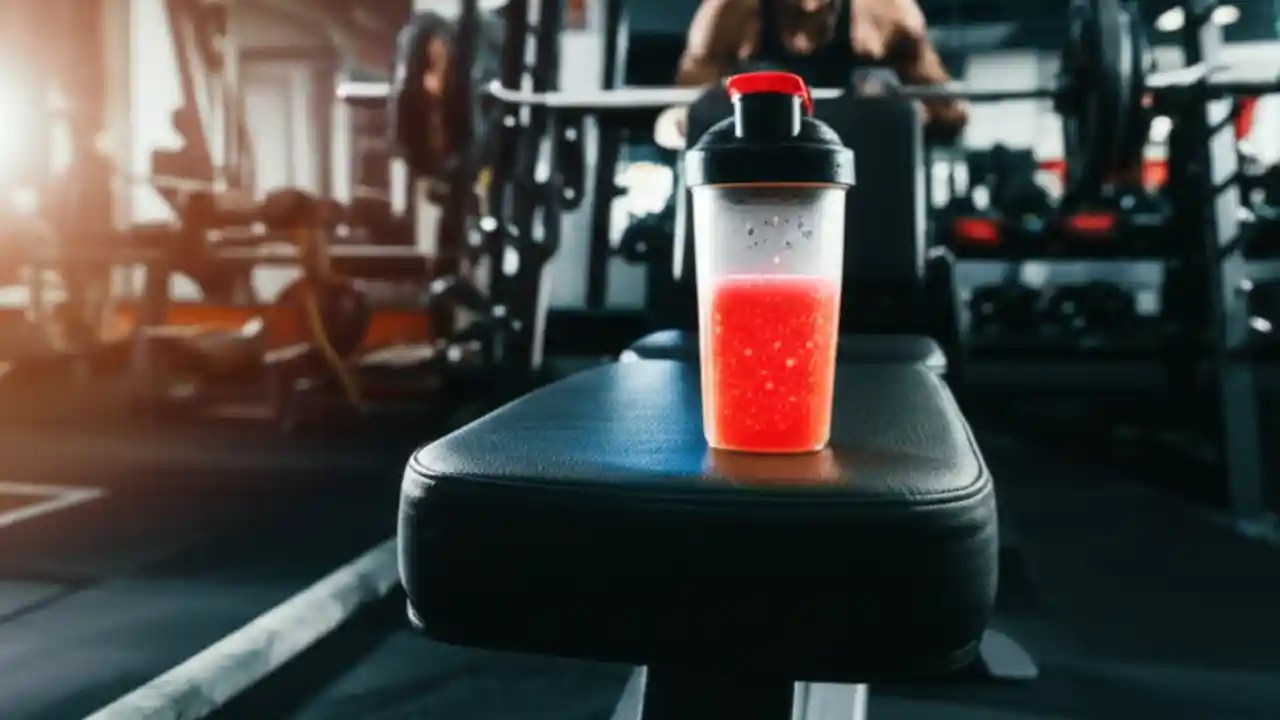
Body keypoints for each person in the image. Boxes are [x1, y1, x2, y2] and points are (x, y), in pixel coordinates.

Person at [660, 0, 967, 145]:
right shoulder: (731, 12)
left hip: (852, 165)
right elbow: (681, 117)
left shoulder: (887, 12)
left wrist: (893, 112)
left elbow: (949, 116)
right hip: (761, 163)